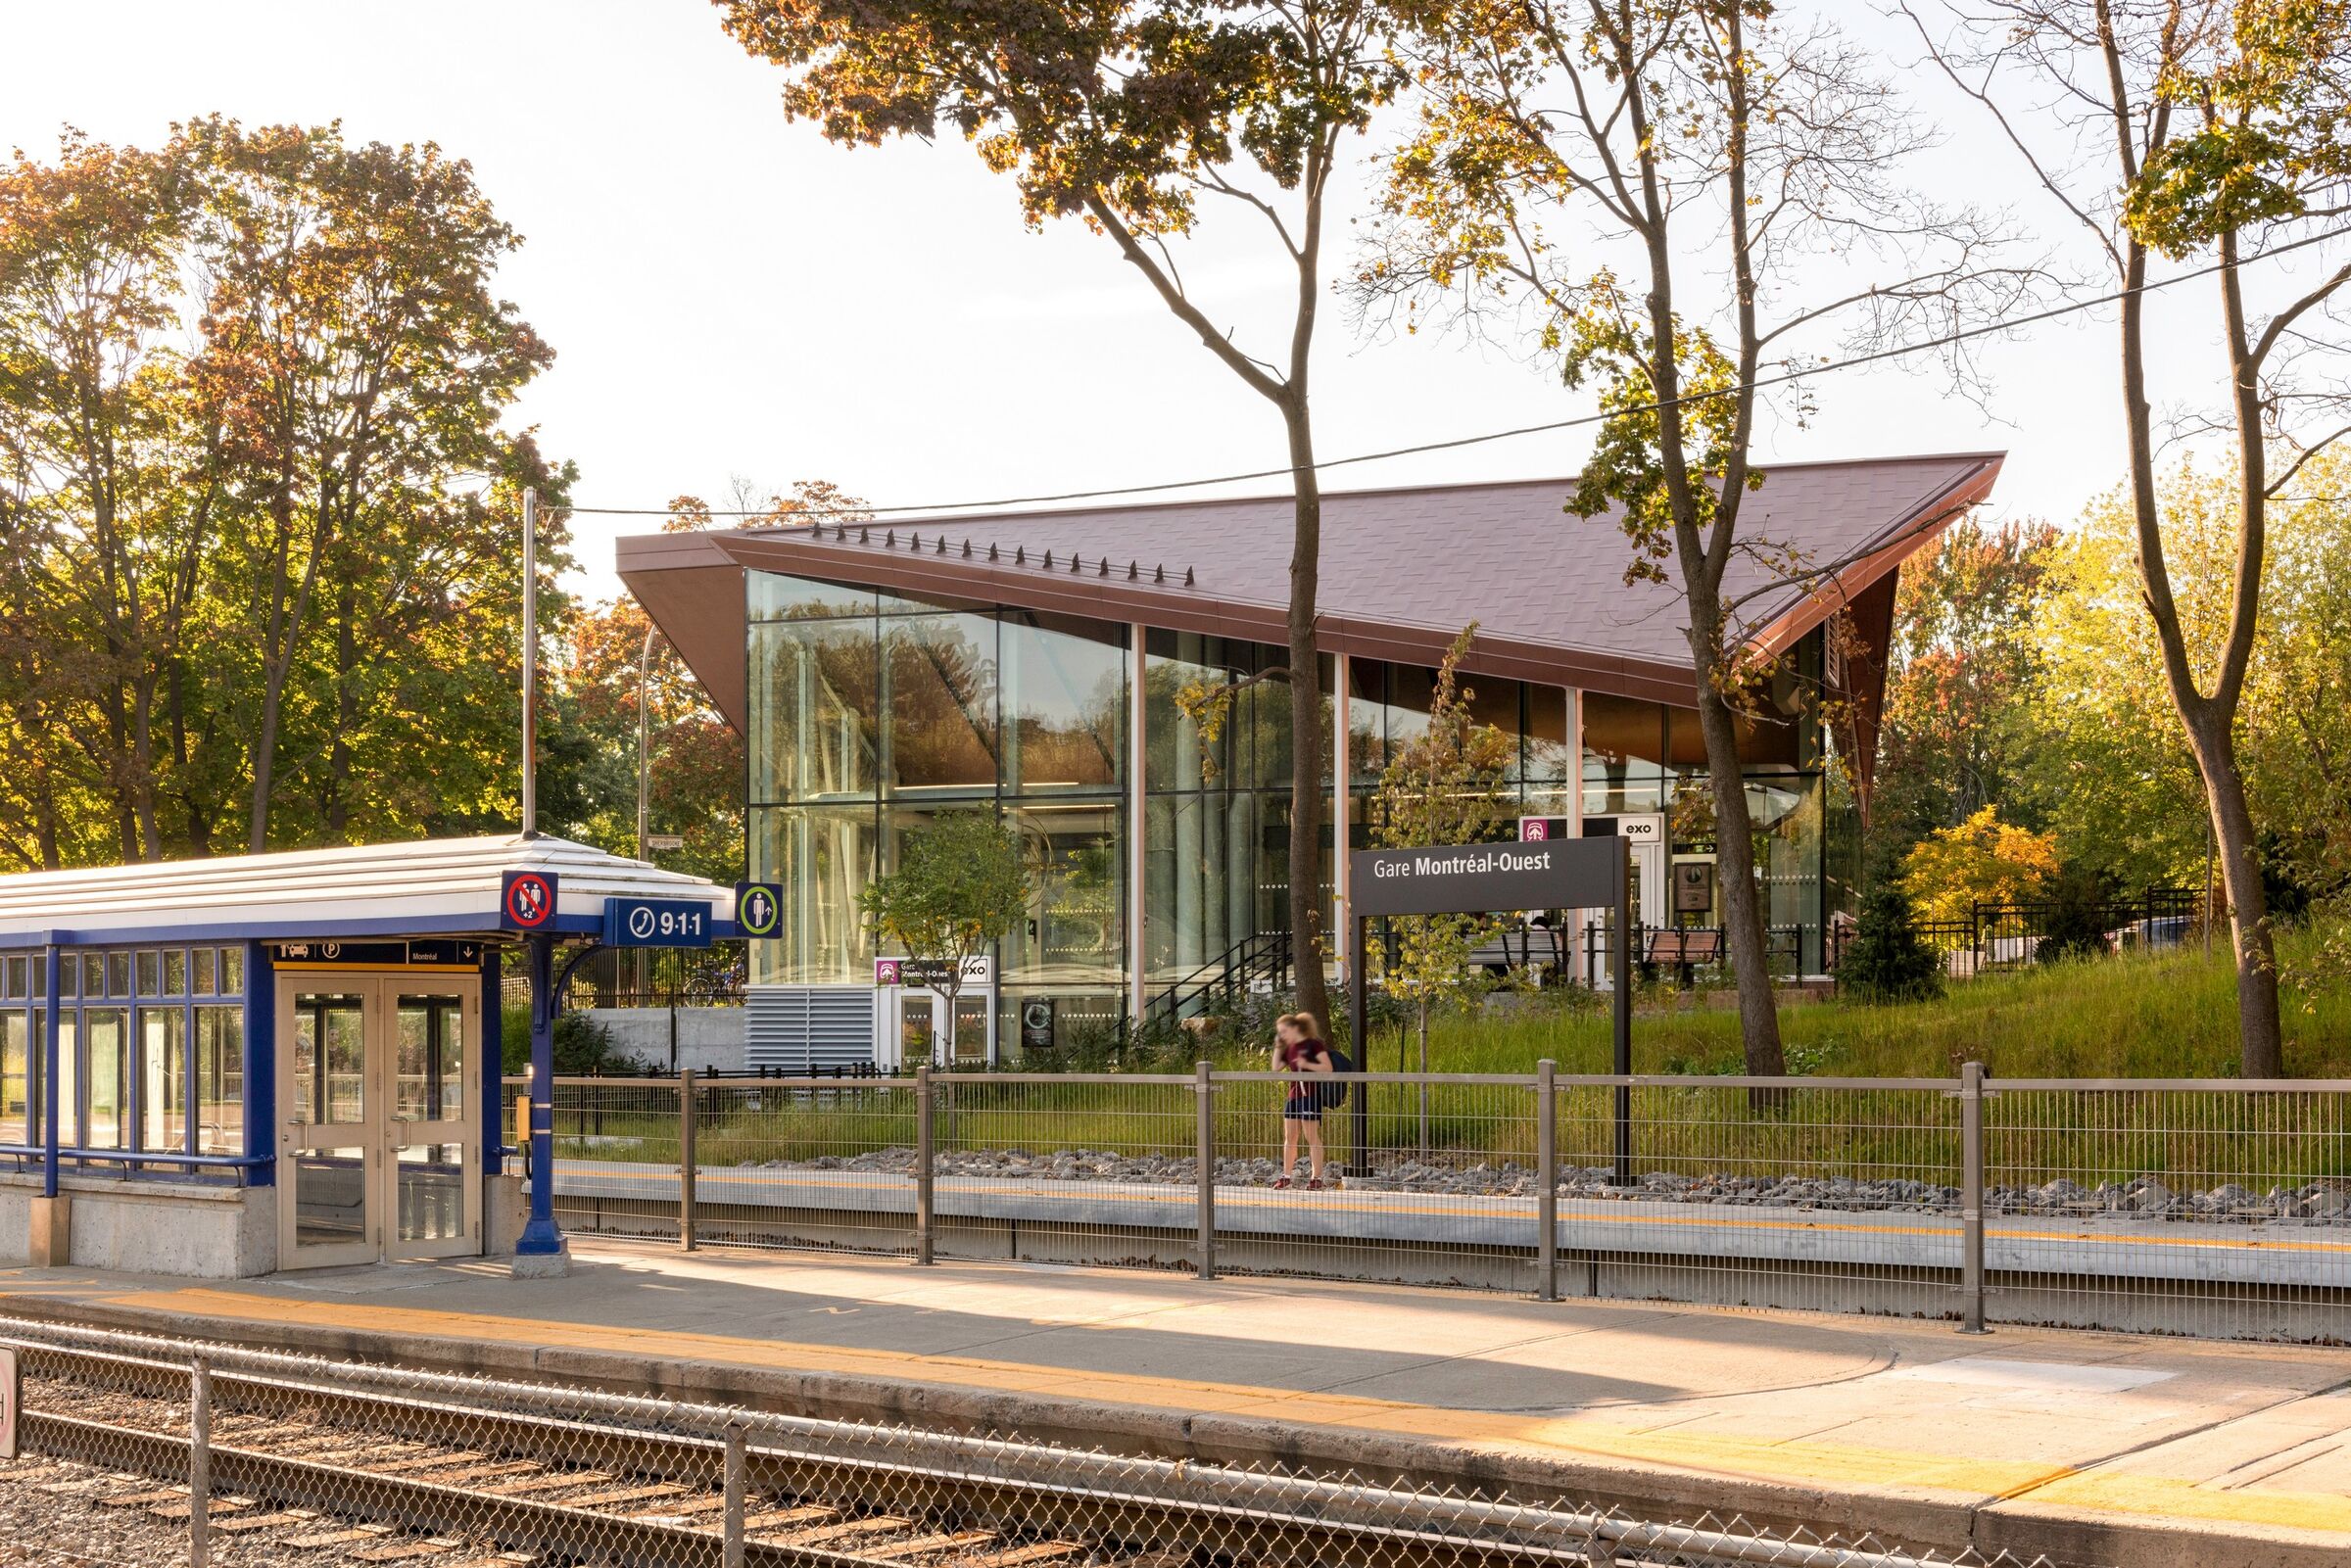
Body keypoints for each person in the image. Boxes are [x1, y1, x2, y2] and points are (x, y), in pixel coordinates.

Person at [1272, 1013, 1337, 1190]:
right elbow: (1276, 1068)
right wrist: (1279, 1045)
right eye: (1280, 1033)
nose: (1283, 1035)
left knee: (1311, 1136)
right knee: (1290, 1137)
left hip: (1310, 1094)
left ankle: (1316, 1177)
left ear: (1295, 1028)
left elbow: (1327, 1067)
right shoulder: (1290, 1047)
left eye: (1284, 1031)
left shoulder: (1314, 1044)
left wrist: (1307, 1064)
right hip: (1294, 1095)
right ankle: (1286, 1176)